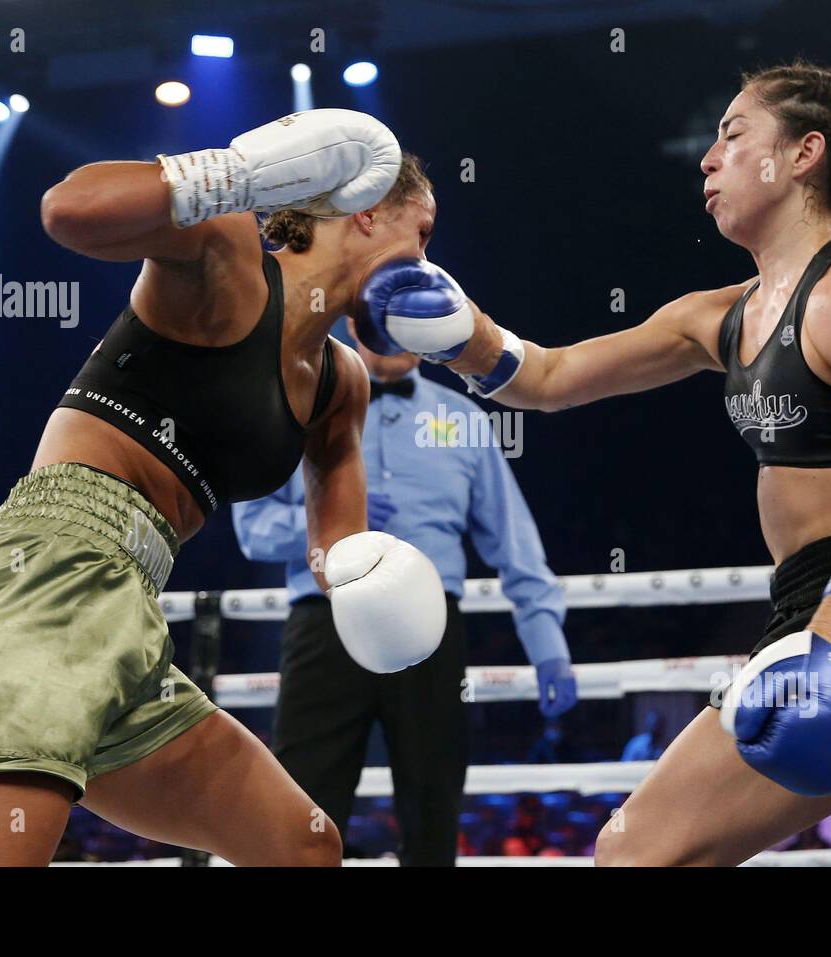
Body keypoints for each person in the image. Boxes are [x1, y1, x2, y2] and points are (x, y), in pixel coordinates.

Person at [357, 61, 831, 866]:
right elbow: (547, 378)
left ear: (803, 155)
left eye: (733, 134)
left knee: (633, 853)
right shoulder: (717, 316)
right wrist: (462, 334)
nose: (707, 157)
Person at [0, 109, 451, 865]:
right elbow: (69, 209)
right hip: (38, 584)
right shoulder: (225, 250)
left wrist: (379, 586)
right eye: (419, 233)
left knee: (305, 846)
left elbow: (338, 551)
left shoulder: (338, 384)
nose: (427, 262)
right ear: (363, 213)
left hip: (129, 621)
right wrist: (234, 176)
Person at [233, 317, 575, 865]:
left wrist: (548, 644)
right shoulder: (298, 407)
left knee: (433, 807)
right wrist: (329, 523)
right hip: (327, 621)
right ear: (352, 322)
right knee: (302, 808)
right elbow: (252, 531)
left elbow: (514, 540)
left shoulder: (461, 418)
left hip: (431, 629)